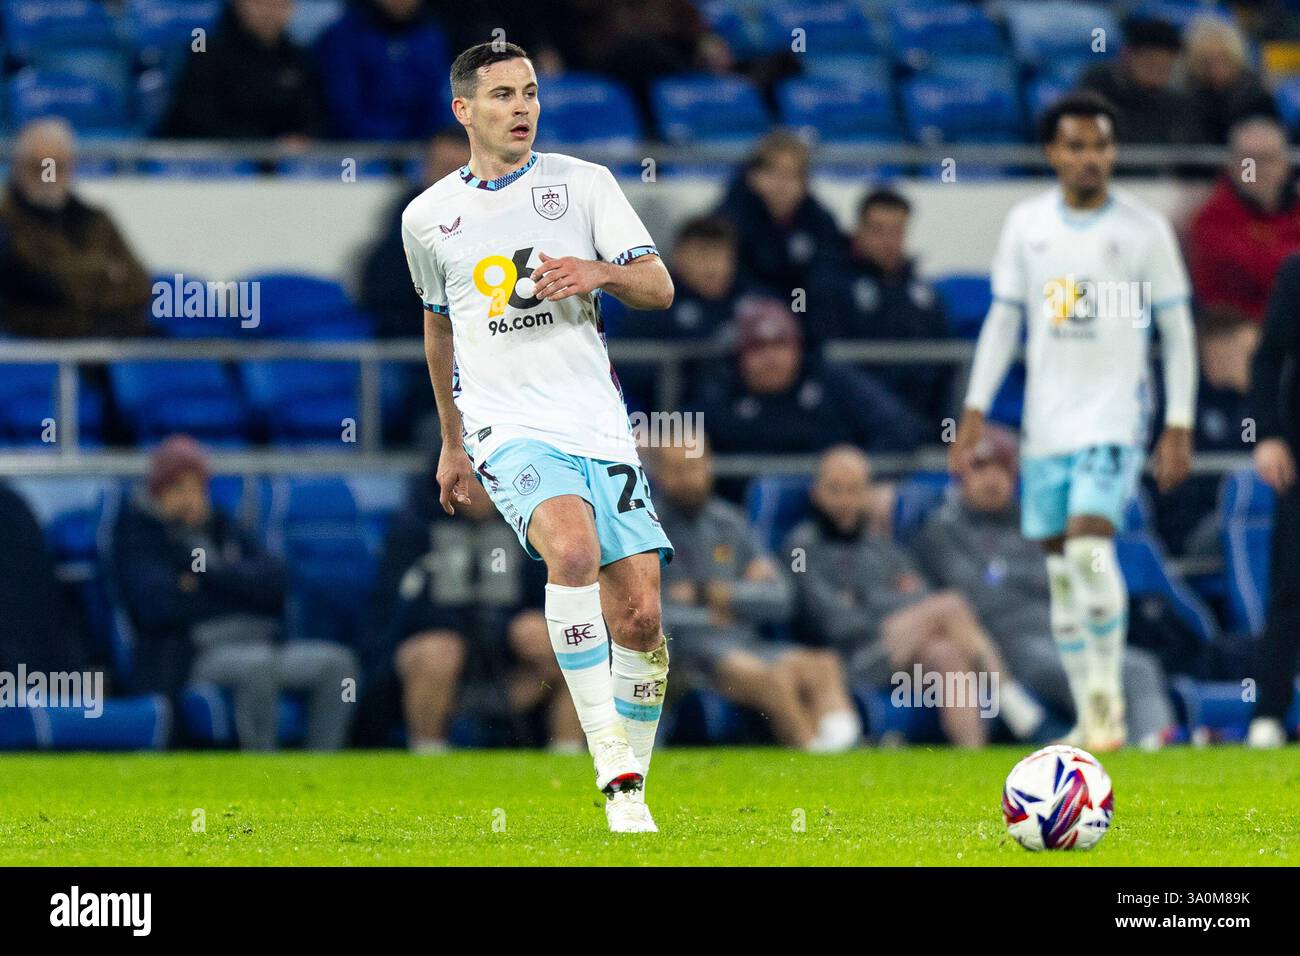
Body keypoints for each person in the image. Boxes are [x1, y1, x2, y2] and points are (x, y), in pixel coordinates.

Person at [400, 42, 676, 832]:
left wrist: (599, 274)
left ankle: (633, 794)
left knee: (642, 620)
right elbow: (438, 331)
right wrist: (453, 443)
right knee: (574, 554)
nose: (521, 108)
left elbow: (658, 286)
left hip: (596, 422)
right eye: (501, 96)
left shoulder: (584, 184)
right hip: (507, 425)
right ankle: (610, 763)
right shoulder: (428, 217)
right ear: (464, 111)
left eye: (528, 93)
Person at [950, 92, 1197, 752]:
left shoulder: (1145, 231)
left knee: (1091, 549)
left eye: (1101, 146)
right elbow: (1003, 321)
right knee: (1062, 571)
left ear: (1113, 153)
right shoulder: (1028, 225)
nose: (1091, 158)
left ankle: (1108, 700)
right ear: (1054, 153)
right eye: (1077, 146)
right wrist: (973, 412)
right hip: (1046, 426)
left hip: (1116, 419)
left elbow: (1177, 331)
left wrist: (1178, 422)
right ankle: (1091, 712)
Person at [914, 426, 1175, 749]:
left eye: (1002, 467)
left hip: (1065, 629)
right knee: (1078, 673)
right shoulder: (940, 530)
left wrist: (1001, 573)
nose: (992, 479)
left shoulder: (1036, 522)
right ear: (960, 474)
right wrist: (1026, 579)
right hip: (1007, 643)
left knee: (1139, 667)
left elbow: (1065, 580)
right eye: (980, 468)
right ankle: (1103, 749)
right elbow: (976, 595)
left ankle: (1154, 750)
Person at [785, 446, 1046, 748]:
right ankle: (1006, 692)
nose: (846, 501)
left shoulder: (878, 545)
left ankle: (972, 757)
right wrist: (894, 602)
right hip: (844, 661)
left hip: (896, 649)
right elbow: (834, 622)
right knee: (949, 605)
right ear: (816, 493)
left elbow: (921, 593)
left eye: (855, 490)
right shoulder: (801, 548)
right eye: (836, 490)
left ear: (868, 494)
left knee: (947, 653)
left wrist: (863, 598)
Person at [111, 436, 357, 750]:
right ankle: (262, 772)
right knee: (257, 667)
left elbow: (276, 580)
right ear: (158, 492)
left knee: (337, 664)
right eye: (178, 489)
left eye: (196, 487)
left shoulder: (222, 525)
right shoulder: (140, 535)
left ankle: (321, 770)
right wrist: (238, 591)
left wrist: (206, 579)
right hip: (194, 654)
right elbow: (159, 606)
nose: (190, 499)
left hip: (264, 641)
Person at [649, 436, 860, 751]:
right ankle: (815, 759)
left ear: (709, 466)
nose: (688, 479)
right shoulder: (648, 527)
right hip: (690, 655)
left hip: (746, 642)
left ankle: (842, 749)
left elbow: (782, 598)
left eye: (694, 467)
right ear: (659, 475)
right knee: (775, 678)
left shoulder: (729, 523)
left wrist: (712, 595)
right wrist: (720, 609)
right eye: (677, 470)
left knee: (823, 665)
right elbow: (653, 610)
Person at [360, 455, 574, 752]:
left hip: (514, 665)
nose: (480, 490)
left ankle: (567, 760)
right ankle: (428, 756)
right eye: (471, 479)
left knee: (567, 641)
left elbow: (551, 589)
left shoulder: (527, 524)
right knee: (439, 650)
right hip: (434, 657)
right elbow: (398, 611)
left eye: (488, 480)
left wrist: (531, 622)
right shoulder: (414, 526)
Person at [691, 295, 930, 463]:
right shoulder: (723, 395)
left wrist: (860, 473)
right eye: (758, 348)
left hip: (830, 517)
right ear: (739, 356)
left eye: (781, 345)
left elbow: (899, 426)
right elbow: (679, 434)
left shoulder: (830, 380)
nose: (771, 358)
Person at [809, 187, 952, 424]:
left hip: (923, 422)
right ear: (859, 231)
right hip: (857, 423)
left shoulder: (924, 294)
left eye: (897, 231)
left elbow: (946, 364)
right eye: (878, 231)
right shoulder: (829, 288)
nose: (888, 241)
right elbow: (829, 364)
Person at [0, 119, 152, 338]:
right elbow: (39, 285)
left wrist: (74, 281)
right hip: (37, 345)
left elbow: (139, 285)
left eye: (56, 165)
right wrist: (105, 273)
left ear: (71, 165)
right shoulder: (6, 223)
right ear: (18, 166)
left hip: (108, 342)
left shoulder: (97, 219)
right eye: (39, 165)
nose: (48, 176)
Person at [1245, 252, 1300, 747]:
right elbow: (1268, 359)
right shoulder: (1296, 271)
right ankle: (1268, 713)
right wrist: (1267, 434)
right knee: (1290, 586)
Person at [158, 0, 327, 141]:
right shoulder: (206, 53)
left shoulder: (297, 58)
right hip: (210, 169)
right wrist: (265, 146)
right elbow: (197, 119)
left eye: (278, 4)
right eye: (260, 3)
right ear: (239, 4)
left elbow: (311, 115)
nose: (268, 12)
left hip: (282, 169)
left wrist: (302, 139)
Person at [1189, 117, 1300, 324]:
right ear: (1233, 166)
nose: (1259, 169)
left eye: (1269, 158)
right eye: (1249, 161)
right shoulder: (1212, 219)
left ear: (1284, 164)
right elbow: (1259, 273)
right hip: (1238, 332)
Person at [714, 129, 846, 297]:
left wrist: (798, 310)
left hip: (800, 308)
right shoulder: (728, 221)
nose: (782, 184)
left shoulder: (819, 221)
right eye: (773, 172)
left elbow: (826, 275)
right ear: (752, 176)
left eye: (791, 175)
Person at [315, 0, 451, 140]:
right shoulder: (342, 37)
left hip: (420, 148)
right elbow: (343, 107)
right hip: (352, 148)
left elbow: (435, 103)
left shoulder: (431, 37)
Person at [1078, 17, 1203, 145]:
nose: (1156, 73)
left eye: (1164, 68)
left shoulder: (1178, 103)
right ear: (1128, 57)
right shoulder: (1098, 87)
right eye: (1149, 63)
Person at [1185, 15, 1278, 145]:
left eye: (1222, 58)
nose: (1215, 67)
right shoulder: (1189, 99)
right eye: (1207, 60)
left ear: (1235, 57)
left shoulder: (1258, 97)